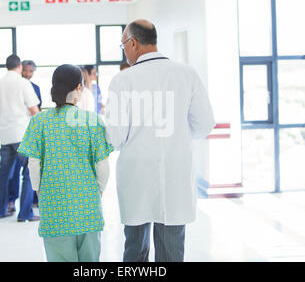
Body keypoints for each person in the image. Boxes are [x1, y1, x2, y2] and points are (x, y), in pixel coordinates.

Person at [105, 19, 215, 262]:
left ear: (132, 43)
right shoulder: (187, 74)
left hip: (136, 176)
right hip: (175, 174)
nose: (124, 50)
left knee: (135, 249)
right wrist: (179, 135)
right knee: (172, 251)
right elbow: (205, 124)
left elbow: (114, 137)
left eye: (123, 45)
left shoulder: (122, 81)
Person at [18, 64, 113, 262]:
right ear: (78, 88)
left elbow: (33, 164)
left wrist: (37, 189)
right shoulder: (92, 121)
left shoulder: (39, 122)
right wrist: (100, 189)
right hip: (87, 204)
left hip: (54, 204)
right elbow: (102, 165)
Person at [0, 54, 40, 222]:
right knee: (28, 173)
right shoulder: (23, 83)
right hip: (22, 135)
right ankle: (25, 213)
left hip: (5, 136)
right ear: (19, 66)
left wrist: (4, 124)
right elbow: (34, 111)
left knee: (3, 173)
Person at [7, 60, 41, 213]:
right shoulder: (16, 86)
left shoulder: (35, 88)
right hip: (19, 133)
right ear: (20, 69)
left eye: (31, 71)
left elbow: (37, 111)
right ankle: (13, 202)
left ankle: (33, 201)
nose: (28, 74)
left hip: (28, 133)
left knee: (31, 170)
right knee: (16, 171)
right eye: (25, 70)